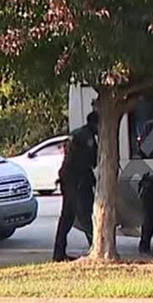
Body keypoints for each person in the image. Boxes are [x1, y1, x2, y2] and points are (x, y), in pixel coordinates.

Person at [53, 111, 99, 262]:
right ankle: (95, 246)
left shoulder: (77, 134)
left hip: (69, 179)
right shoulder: (88, 138)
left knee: (67, 216)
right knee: (85, 214)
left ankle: (59, 252)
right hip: (77, 180)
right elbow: (91, 161)